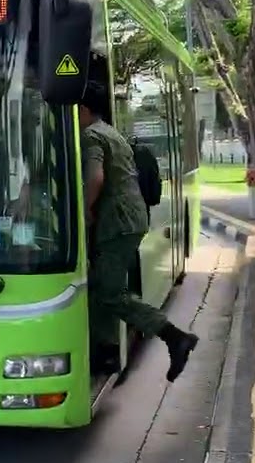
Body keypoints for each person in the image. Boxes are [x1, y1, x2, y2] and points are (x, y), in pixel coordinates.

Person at [79, 81, 199, 382]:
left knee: (110, 293)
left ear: (83, 109)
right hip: (131, 218)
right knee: (102, 283)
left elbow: (95, 177)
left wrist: (85, 211)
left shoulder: (91, 136)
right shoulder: (111, 132)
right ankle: (106, 349)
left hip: (116, 223)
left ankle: (174, 337)